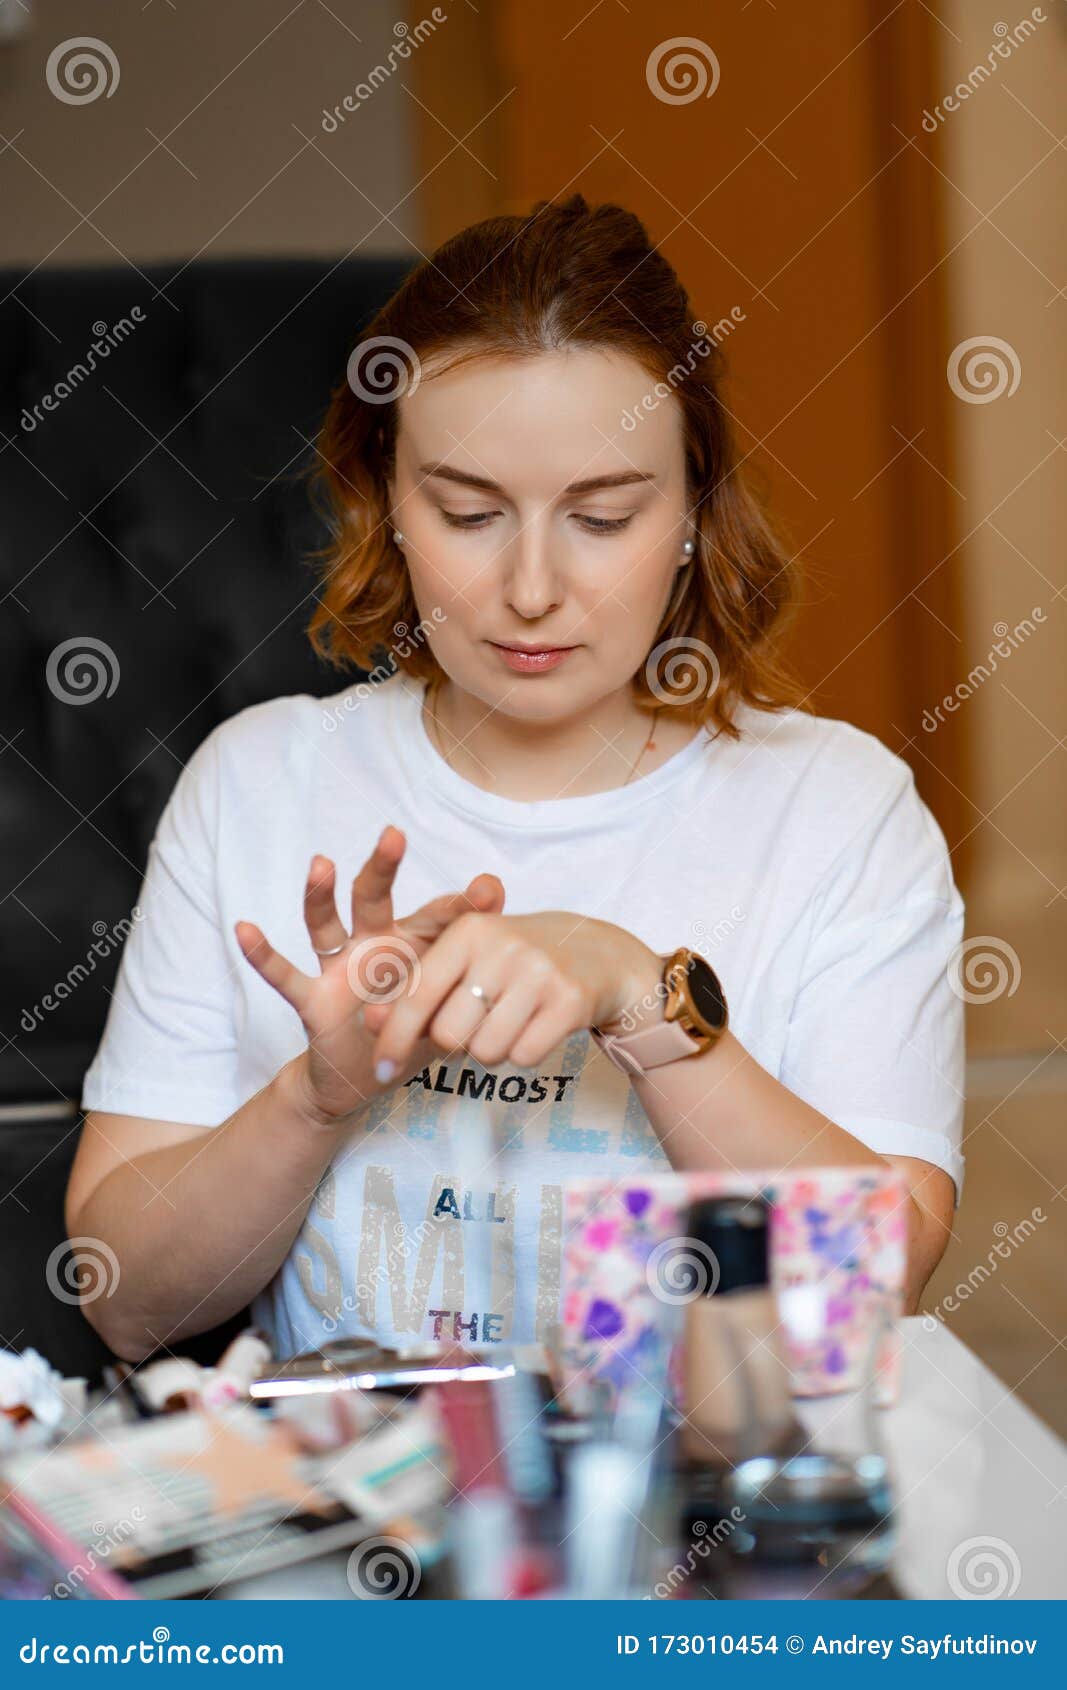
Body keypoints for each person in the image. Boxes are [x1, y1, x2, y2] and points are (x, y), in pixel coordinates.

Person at [67, 194, 964, 1364]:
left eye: (601, 516)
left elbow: (874, 1280)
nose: (530, 587)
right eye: (468, 511)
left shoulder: (838, 811)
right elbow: (125, 1302)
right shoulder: (258, 783)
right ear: (385, 500)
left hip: (698, 1522)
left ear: (693, 504)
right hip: (345, 1517)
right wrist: (319, 1097)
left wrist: (637, 994)